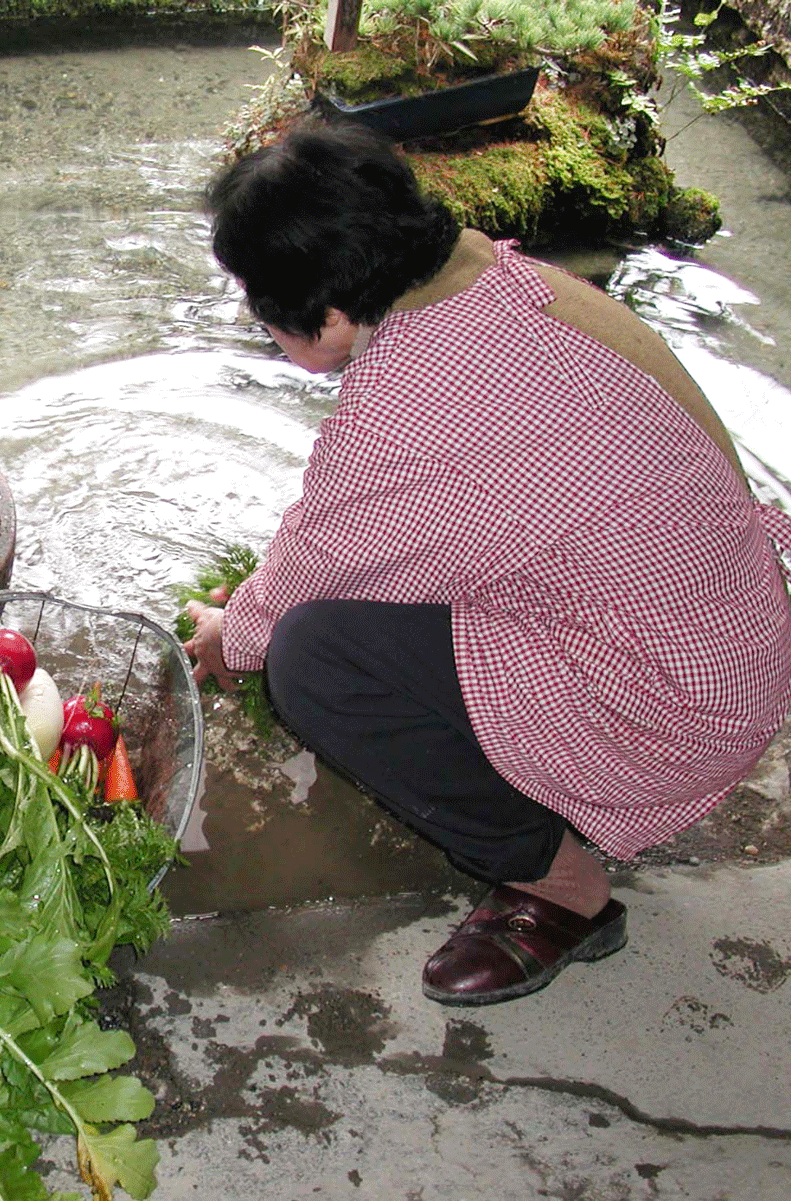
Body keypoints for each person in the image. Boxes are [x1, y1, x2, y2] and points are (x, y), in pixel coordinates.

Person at [183, 119, 791, 1007]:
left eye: (262, 303)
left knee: (310, 660)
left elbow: (301, 583)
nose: (257, 319)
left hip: (677, 704)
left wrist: (227, 632)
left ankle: (559, 887)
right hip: (732, 635)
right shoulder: (496, 277)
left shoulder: (410, 405)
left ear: (333, 312)